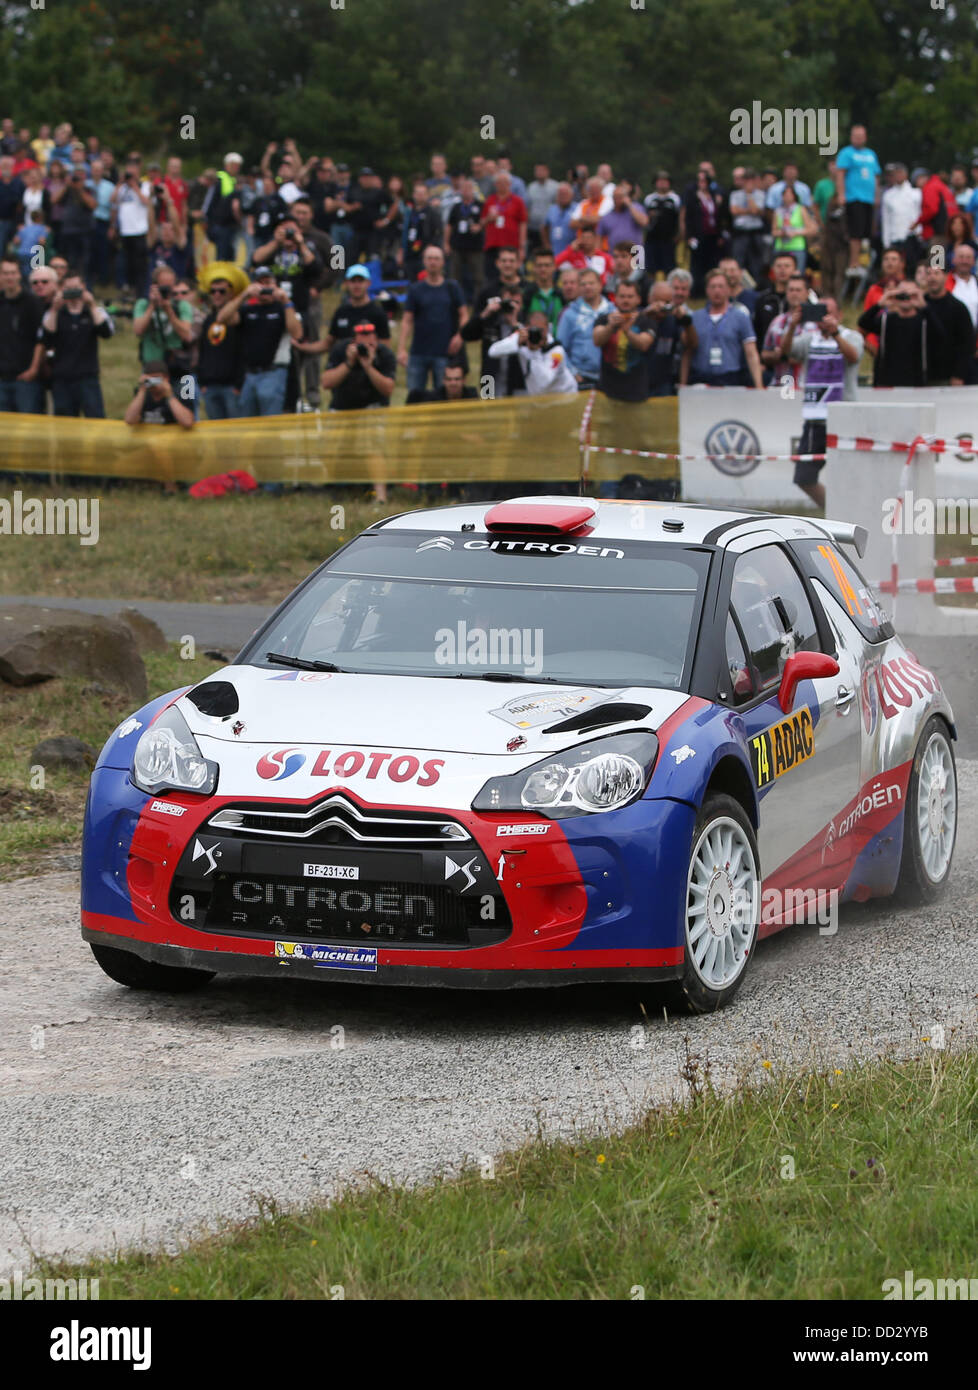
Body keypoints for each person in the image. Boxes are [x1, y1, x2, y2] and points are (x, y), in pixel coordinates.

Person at [784, 298, 863, 507]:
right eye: (819, 312)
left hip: (844, 416)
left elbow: (854, 357)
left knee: (848, 474)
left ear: (839, 315)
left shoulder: (851, 336)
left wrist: (835, 333)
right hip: (815, 419)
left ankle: (851, 510)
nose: (822, 318)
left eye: (827, 312)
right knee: (804, 477)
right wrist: (792, 325)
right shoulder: (809, 339)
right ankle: (838, 510)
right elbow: (786, 352)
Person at [217, 267, 302, 415]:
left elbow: (297, 333)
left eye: (268, 283)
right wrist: (244, 295)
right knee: (248, 423)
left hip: (273, 372)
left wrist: (286, 301)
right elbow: (222, 319)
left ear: (275, 285)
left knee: (270, 421)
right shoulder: (248, 309)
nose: (264, 288)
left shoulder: (282, 309)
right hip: (250, 374)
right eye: (260, 284)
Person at [40, 272, 114, 416]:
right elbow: (47, 339)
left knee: (95, 421)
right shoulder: (55, 313)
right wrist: (55, 309)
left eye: (76, 288)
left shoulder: (94, 312)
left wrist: (92, 305)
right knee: (64, 424)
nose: (73, 292)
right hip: (62, 379)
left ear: (84, 288)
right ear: (62, 289)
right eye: (69, 289)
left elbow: (106, 333)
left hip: (88, 378)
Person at [397, 245, 467, 395]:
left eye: (436, 258)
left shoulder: (452, 287)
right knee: (415, 398)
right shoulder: (415, 289)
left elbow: (464, 314)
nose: (433, 262)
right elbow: (407, 320)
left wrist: (460, 336)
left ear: (442, 262)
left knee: (443, 397)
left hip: (444, 352)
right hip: (418, 352)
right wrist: (402, 348)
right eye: (429, 258)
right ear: (424, 262)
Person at [462, 246, 528, 396]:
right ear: (497, 263)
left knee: (520, 415)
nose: (507, 264)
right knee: (488, 412)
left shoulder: (528, 290)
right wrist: (486, 313)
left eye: (511, 261)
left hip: (519, 372)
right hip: (489, 370)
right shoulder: (487, 290)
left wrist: (516, 320)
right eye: (504, 261)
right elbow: (467, 334)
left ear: (518, 263)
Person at [683, 268, 763, 388]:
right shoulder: (695, 317)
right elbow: (688, 352)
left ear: (729, 290)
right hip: (701, 378)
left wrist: (759, 385)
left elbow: (751, 353)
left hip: (730, 378)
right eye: (713, 287)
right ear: (707, 290)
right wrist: (683, 384)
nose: (717, 291)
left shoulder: (740, 316)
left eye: (721, 286)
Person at [857, 280, 944, 387]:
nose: (906, 298)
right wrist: (880, 304)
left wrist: (924, 306)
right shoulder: (886, 320)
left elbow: (940, 336)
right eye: (902, 294)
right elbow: (863, 324)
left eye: (911, 295)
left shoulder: (924, 321)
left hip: (917, 383)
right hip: (887, 382)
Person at [133, 264, 195, 390]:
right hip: (152, 368)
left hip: (180, 369)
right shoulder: (143, 304)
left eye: (170, 286)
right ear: (154, 286)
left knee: (186, 404)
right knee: (153, 406)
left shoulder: (182, 306)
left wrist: (169, 311)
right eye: (163, 286)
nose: (168, 290)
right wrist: (152, 306)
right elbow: (138, 331)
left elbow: (186, 335)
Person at [592, 279, 655, 401]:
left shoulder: (647, 321)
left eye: (630, 296)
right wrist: (610, 327)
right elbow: (597, 340)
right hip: (607, 391)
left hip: (636, 391)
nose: (626, 300)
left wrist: (627, 331)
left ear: (638, 299)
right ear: (615, 298)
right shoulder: (604, 318)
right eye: (622, 296)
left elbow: (644, 344)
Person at [489, 310, 577, 394]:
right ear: (527, 327)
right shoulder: (522, 339)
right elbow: (492, 351)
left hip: (565, 396)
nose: (537, 334)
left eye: (541, 330)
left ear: (548, 328)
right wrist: (516, 342)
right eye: (534, 329)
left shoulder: (556, 351)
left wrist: (534, 352)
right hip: (539, 401)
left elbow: (544, 382)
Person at [195, 277, 243, 419]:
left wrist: (238, 385)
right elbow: (202, 351)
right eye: (213, 291)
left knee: (235, 433)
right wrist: (202, 383)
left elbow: (242, 352)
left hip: (232, 387)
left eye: (222, 291)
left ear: (231, 294)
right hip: (210, 386)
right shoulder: (208, 320)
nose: (216, 294)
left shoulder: (238, 318)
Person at [0, 257, 44, 411]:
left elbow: (41, 340)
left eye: (13, 273)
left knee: (27, 429)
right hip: (2, 378)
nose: (9, 277)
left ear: (19, 275)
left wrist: (33, 369)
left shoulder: (32, 303)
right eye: (5, 273)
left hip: (25, 379)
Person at [835, 124, 881, 271]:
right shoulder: (846, 153)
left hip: (868, 199)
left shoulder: (871, 154)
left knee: (867, 232)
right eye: (856, 136)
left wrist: (876, 195)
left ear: (865, 137)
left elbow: (876, 177)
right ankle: (854, 262)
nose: (858, 139)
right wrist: (841, 194)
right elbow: (840, 174)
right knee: (856, 231)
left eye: (861, 136)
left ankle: (864, 260)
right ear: (851, 137)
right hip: (854, 197)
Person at [322, 320, 397, 410]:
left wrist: (368, 367)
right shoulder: (341, 349)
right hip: (343, 407)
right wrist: (348, 363)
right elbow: (326, 383)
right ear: (353, 342)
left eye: (370, 345)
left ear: (376, 341)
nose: (365, 349)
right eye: (361, 346)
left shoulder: (385, 354)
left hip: (375, 407)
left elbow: (388, 390)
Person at [922, 262, 974, 386]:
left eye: (936, 273)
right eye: (928, 274)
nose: (932, 277)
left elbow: (966, 344)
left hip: (948, 375)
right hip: (922, 375)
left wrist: (959, 374)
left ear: (945, 276)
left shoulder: (958, 307)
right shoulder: (919, 305)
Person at [557, 267, 610, 388]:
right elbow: (559, 348)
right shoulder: (569, 314)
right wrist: (572, 372)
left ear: (600, 285)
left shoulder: (613, 311)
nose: (587, 287)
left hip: (609, 377)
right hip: (581, 378)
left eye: (591, 283)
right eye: (583, 284)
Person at [761, 272, 812, 387]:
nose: (794, 293)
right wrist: (776, 355)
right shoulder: (777, 322)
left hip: (806, 385)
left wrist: (797, 355)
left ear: (807, 293)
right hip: (781, 384)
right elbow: (764, 353)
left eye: (798, 290)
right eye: (791, 290)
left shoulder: (816, 324)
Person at [645, 279, 693, 397]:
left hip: (663, 385)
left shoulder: (672, 320)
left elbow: (690, 344)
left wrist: (686, 321)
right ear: (649, 299)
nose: (661, 306)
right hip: (638, 382)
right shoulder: (640, 317)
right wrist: (646, 314)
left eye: (666, 302)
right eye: (657, 301)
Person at [111, 162, 152, 296]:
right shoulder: (122, 188)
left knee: (140, 264)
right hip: (125, 232)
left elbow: (146, 201)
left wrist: (135, 186)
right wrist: (120, 183)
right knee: (128, 264)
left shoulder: (144, 185)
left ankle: (141, 291)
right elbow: (112, 200)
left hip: (139, 231)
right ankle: (130, 289)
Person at [683, 166, 725, 296]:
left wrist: (719, 234)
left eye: (704, 181)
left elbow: (718, 216)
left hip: (711, 235)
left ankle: (711, 289)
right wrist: (689, 236)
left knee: (711, 263)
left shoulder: (713, 197)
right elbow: (688, 218)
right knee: (697, 265)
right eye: (699, 181)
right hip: (697, 235)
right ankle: (697, 291)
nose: (702, 184)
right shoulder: (693, 198)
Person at [444, 177, 483, 303]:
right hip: (457, 246)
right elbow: (449, 226)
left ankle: (478, 302)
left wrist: (479, 226)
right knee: (455, 276)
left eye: (468, 188)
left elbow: (486, 222)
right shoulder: (456, 207)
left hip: (475, 247)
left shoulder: (480, 205)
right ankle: (456, 302)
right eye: (463, 189)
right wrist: (446, 243)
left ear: (473, 190)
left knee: (478, 277)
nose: (466, 191)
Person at [124, 359, 195, 428]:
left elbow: (187, 422)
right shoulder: (142, 395)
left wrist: (170, 396)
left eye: (156, 379)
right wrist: (142, 391)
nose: (153, 383)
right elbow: (129, 420)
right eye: (150, 380)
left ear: (166, 378)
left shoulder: (180, 394)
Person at [481, 171, 528, 277]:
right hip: (493, 246)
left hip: (511, 245)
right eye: (499, 183)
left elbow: (523, 224)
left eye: (505, 182)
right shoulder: (490, 200)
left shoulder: (518, 201)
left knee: (513, 274)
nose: (502, 185)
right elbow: (481, 223)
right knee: (491, 276)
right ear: (495, 185)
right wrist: (489, 218)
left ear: (510, 184)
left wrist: (522, 247)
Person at [728, 168, 767, 283]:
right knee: (738, 261)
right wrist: (749, 210)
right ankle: (738, 284)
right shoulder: (735, 194)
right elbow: (734, 211)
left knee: (756, 262)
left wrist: (749, 196)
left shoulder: (760, 194)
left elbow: (756, 211)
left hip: (755, 233)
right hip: (741, 232)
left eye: (751, 180)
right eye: (746, 180)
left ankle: (756, 285)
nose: (749, 183)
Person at [399, 180, 443, 282]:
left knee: (424, 280)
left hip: (424, 254)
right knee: (411, 281)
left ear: (427, 195)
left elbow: (438, 232)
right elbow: (405, 232)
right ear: (414, 195)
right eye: (418, 193)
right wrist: (402, 250)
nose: (420, 196)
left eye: (423, 193)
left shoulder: (432, 212)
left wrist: (430, 247)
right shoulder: (409, 212)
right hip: (410, 253)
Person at [880, 163, 921, 270]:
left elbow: (920, 214)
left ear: (906, 174)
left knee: (912, 267)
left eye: (900, 172)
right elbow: (886, 220)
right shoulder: (888, 195)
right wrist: (886, 241)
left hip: (911, 236)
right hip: (895, 238)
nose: (898, 176)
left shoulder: (916, 193)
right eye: (895, 173)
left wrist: (920, 233)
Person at [753, 252, 797, 350]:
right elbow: (757, 332)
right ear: (772, 269)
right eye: (779, 266)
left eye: (787, 266)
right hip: (767, 357)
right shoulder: (763, 299)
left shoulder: (802, 300)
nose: (782, 269)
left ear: (795, 270)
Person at [643, 171, 682, 279]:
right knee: (650, 268)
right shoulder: (649, 199)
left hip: (669, 239)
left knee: (669, 268)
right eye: (659, 181)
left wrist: (679, 234)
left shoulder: (675, 199)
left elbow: (680, 217)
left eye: (665, 181)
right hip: (652, 238)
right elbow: (644, 218)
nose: (662, 184)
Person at [771, 184, 817, 273]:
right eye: (785, 195)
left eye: (789, 194)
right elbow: (773, 231)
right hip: (781, 247)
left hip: (797, 247)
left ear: (794, 196)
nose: (787, 197)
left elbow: (812, 229)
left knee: (797, 273)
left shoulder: (800, 209)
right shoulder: (778, 211)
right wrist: (782, 233)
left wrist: (796, 232)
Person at [554, 219, 613, 283]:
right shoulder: (574, 256)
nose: (586, 240)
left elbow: (612, 274)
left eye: (589, 238)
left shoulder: (605, 257)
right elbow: (554, 264)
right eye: (583, 238)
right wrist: (570, 249)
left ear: (595, 239)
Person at [521, 248, 564, 333]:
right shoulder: (526, 294)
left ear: (554, 267)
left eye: (547, 265)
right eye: (539, 265)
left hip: (558, 343)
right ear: (533, 267)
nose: (543, 269)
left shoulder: (561, 295)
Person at [525, 163, 558, 254]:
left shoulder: (555, 187)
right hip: (533, 228)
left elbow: (557, 206)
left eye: (542, 170)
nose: (539, 173)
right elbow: (528, 207)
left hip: (549, 228)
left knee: (548, 252)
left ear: (547, 172)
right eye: (537, 170)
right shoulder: (531, 187)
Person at [406, 360, 477, 403]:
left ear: (464, 380)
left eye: (457, 379)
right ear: (443, 381)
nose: (453, 383)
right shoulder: (434, 398)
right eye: (449, 379)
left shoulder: (472, 397)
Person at [605, 240, 651, 306]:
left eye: (624, 256)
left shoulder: (646, 283)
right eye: (615, 257)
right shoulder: (608, 283)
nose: (619, 261)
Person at [543, 182, 575, 258]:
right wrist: (547, 244)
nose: (563, 196)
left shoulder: (577, 208)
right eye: (561, 194)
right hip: (555, 252)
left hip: (572, 253)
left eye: (565, 194)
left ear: (571, 195)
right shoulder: (552, 209)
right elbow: (544, 227)